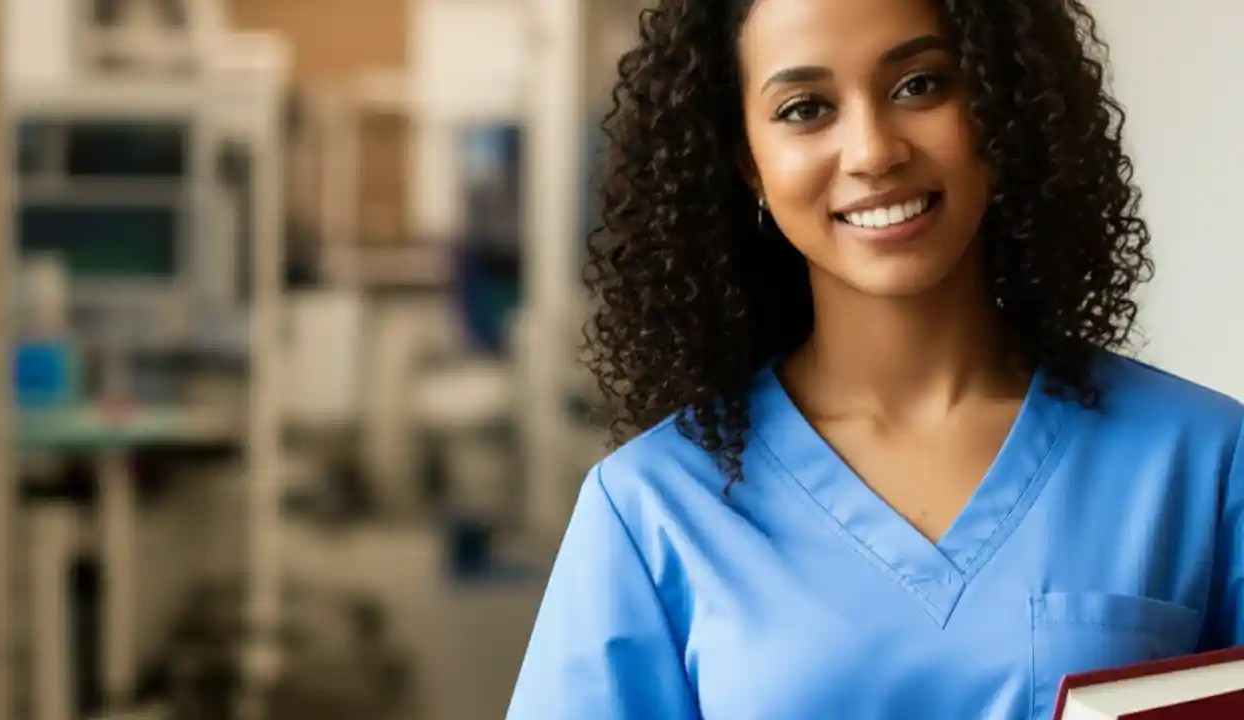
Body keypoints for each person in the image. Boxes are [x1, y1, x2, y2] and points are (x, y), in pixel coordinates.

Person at [507, 0, 1243, 717]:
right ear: (749, 164)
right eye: (804, 108)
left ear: (998, 102)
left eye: (919, 85)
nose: (873, 152)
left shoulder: (1202, 462)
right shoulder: (652, 508)